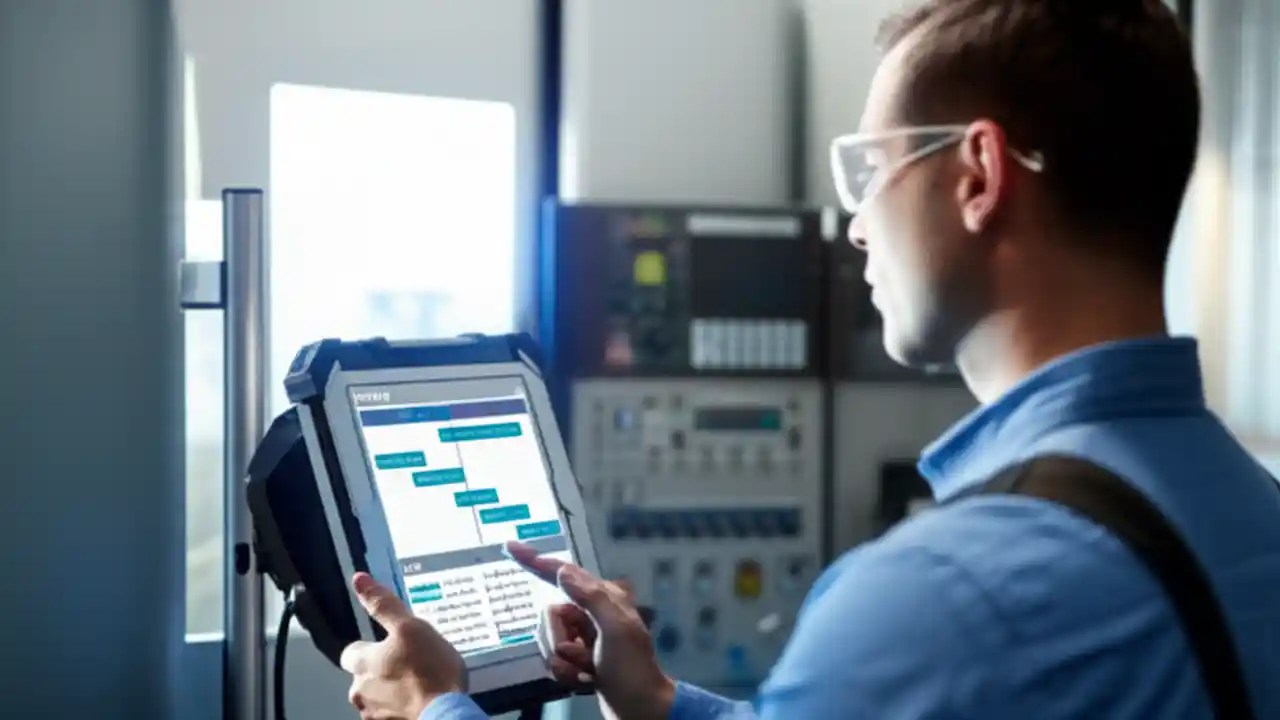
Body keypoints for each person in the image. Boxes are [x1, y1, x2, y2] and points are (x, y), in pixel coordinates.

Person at [338, 1, 1280, 717]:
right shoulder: (1249, 509)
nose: (858, 228)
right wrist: (665, 704)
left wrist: (435, 706)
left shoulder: (945, 595)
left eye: (871, 172)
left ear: (979, 175)